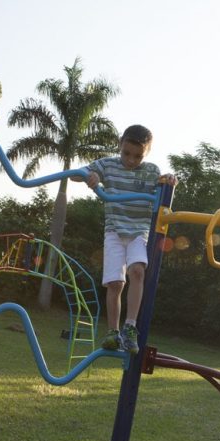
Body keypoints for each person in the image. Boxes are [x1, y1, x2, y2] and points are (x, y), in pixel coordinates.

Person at [71, 124, 177, 354]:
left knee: (138, 271)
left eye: (137, 155)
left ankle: (130, 327)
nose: (131, 160)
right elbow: (77, 176)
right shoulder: (108, 165)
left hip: (139, 232)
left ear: (147, 152)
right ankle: (112, 332)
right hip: (114, 232)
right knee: (115, 283)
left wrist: (168, 179)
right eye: (126, 153)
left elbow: (162, 187)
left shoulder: (150, 171)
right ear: (120, 145)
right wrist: (91, 176)